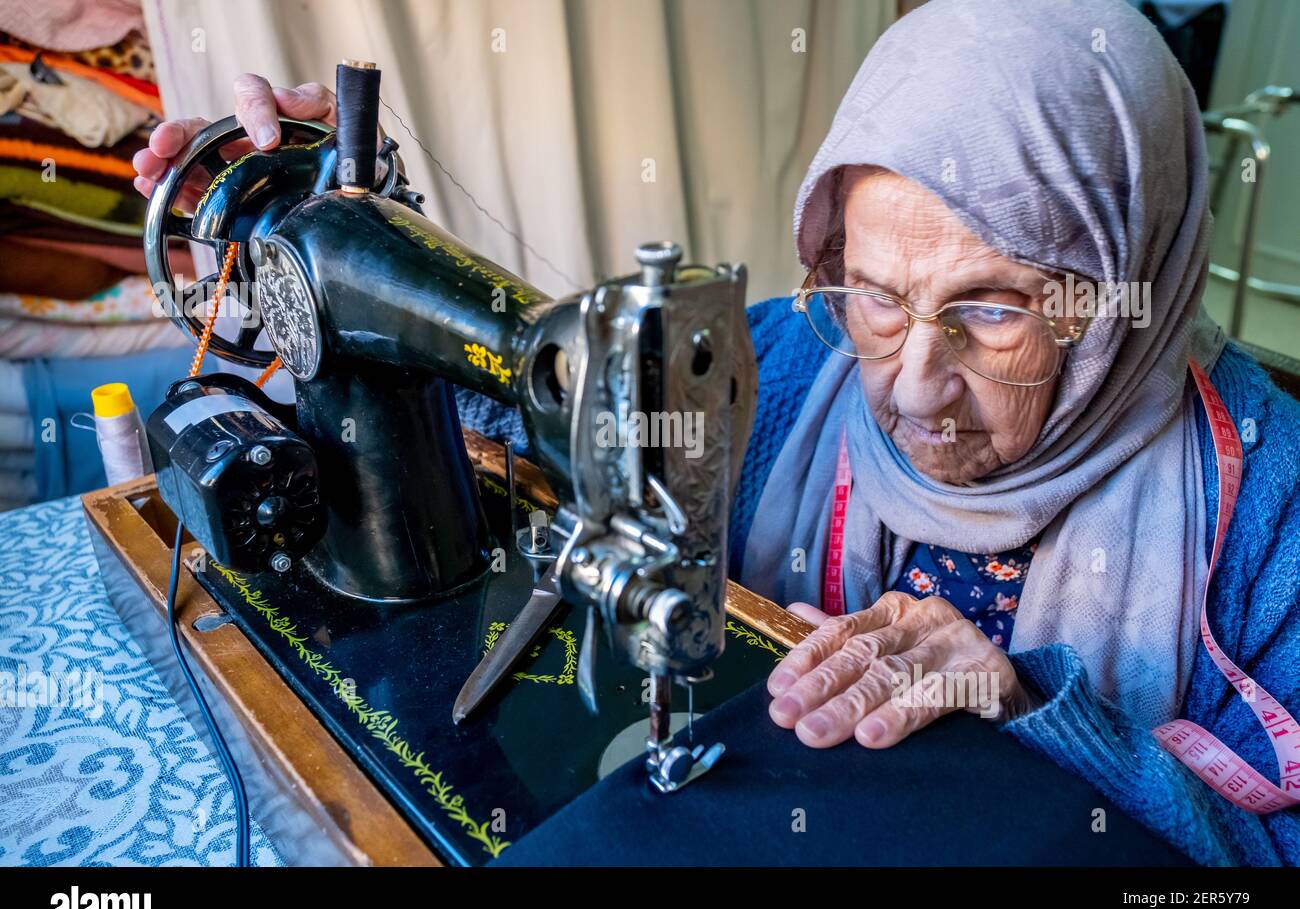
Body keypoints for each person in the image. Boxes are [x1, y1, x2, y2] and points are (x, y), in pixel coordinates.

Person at [134, 0, 1299, 865]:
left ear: (1126, 277)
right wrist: (299, 249)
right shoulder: (790, 354)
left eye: (993, 310)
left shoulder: (1265, 497)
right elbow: (529, 406)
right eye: (877, 296)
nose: (913, 389)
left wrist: (1035, 715)